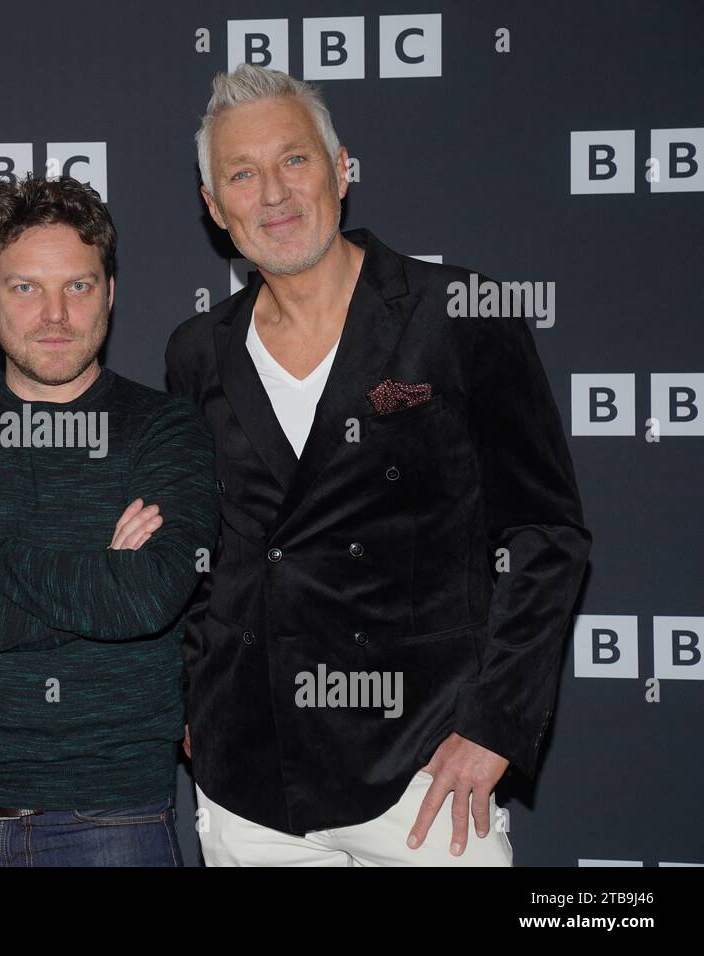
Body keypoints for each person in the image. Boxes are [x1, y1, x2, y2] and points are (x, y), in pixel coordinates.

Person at [166, 64, 590, 866]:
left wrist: (495, 725)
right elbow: (202, 548)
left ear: (342, 168)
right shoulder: (196, 352)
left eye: (294, 160)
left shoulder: (459, 313)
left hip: (425, 777)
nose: (274, 194)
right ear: (215, 208)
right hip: (251, 781)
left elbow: (544, 535)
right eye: (242, 175)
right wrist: (196, 697)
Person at [0, 174, 219, 866]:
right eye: (26, 287)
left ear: (111, 294)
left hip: (114, 816)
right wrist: (99, 583)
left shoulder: (167, 429)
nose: (54, 314)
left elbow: (146, 596)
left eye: (79, 286)